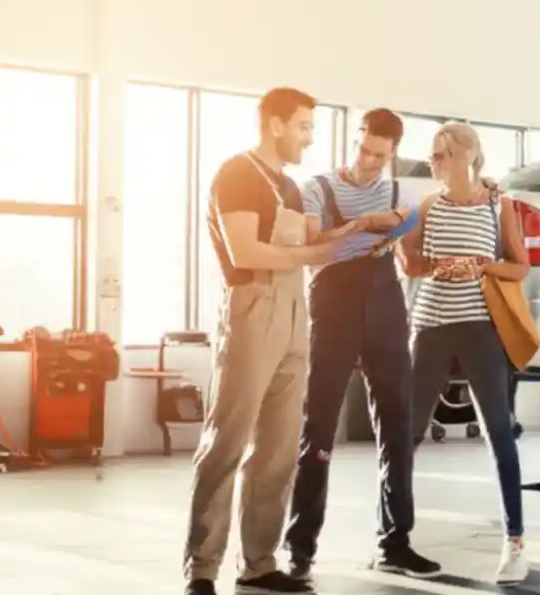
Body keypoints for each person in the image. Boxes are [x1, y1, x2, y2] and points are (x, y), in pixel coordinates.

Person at [183, 87, 337, 595]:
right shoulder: (237, 175)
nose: (309, 138)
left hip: (296, 309)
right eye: (303, 127)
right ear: (274, 125)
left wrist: (363, 231)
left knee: (278, 449)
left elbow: (311, 245)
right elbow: (245, 251)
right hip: (252, 309)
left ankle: (259, 564)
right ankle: (202, 569)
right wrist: (313, 256)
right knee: (227, 441)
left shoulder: (290, 189)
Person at [284, 109, 442, 580]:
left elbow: (410, 262)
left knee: (397, 424)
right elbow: (313, 244)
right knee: (319, 427)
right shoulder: (319, 186)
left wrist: (407, 225)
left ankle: (396, 543)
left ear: (393, 151)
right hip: (333, 300)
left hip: (386, 300)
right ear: (357, 140)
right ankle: (300, 548)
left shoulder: (399, 192)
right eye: (364, 150)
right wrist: (357, 226)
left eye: (380, 155)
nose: (369, 162)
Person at [398, 121, 531, 584]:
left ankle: (515, 542)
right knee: (406, 433)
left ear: (467, 156)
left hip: (480, 328)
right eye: (432, 154)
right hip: (430, 325)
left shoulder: (500, 206)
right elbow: (414, 264)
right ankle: (391, 538)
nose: (433, 162)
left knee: (498, 431)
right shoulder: (428, 205)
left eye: (441, 154)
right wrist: (405, 243)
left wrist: (480, 265)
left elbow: (519, 267)